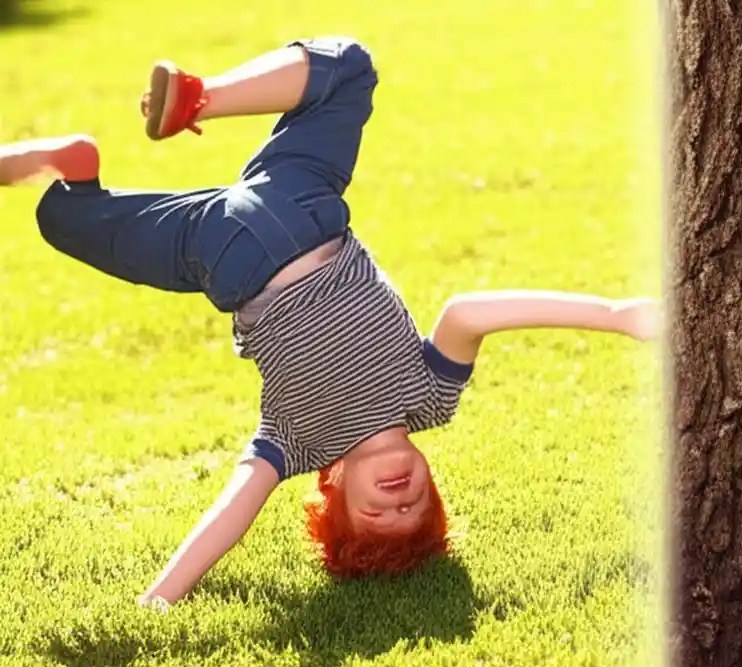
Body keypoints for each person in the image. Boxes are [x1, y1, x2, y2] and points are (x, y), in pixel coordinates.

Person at [0, 36, 658, 608]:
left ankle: (74, 171)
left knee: (67, 223)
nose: (397, 499)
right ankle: (197, 100)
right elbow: (468, 313)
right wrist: (616, 315)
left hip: (222, 254)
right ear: (433, 487)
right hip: (304, 208)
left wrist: (160, 597)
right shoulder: (432, 399)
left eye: (377, 513)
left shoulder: (294, 443)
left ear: (334, 487)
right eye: (414, 508)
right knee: (346, 67)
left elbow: (230, 514)